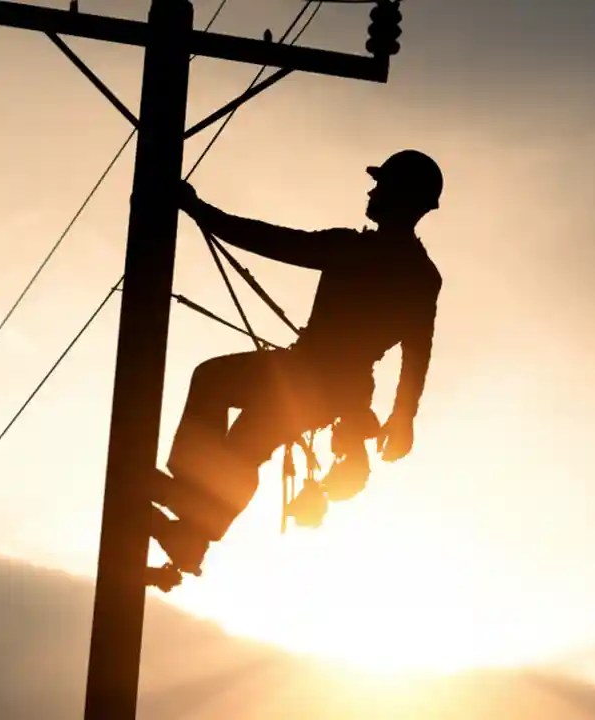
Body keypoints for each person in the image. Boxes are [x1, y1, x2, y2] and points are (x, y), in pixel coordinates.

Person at [152, 149, 445, 576]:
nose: (372, 190)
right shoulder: (423, 276)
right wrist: (403, 418)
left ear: (400, 195)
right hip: (336, 396)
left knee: (214, 383)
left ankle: (190, 495)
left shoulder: (353, 249)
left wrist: (198, 210)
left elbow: (272, 240)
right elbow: (417, 355)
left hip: (303, 376)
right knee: (245, 447)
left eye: (381, 185)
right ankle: (194, 535)